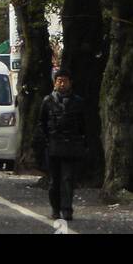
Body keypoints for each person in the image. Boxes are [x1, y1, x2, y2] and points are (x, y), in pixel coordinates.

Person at [36, 69, 86, 223]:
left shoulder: (78, 102)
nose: (62, 84)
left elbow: (83, 125)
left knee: (68, 179)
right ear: (54, 83)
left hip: (71, 146)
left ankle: (67, 209)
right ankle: (55, 209)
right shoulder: (48, 101)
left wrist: (82, 142)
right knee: (54, 181)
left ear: (70, 83)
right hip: (53, 146)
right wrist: (46, 140)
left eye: (65, 81)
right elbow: (41, 123)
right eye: (59, 81)